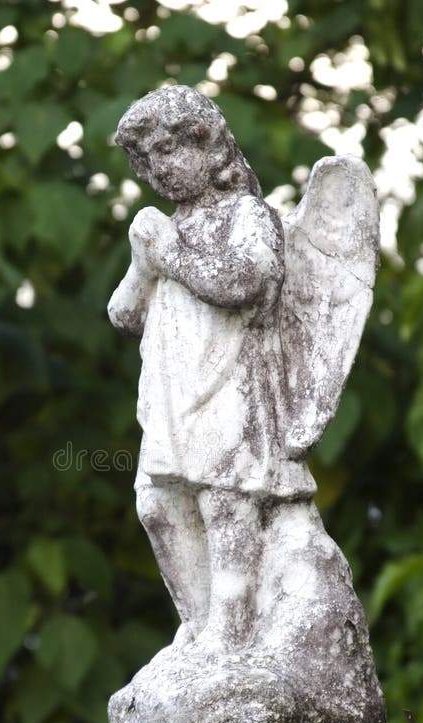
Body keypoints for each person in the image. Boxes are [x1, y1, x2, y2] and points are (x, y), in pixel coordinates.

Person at [108, 86, 316, 649]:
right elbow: (124, 315)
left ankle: (232, 629)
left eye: (171, 150)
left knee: (225, 503)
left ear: (210, 147)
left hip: (229, 386)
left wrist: (166, 252)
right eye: (148, 159)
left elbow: (244, 282)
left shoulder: (245, 215)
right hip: (170, 393)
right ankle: (197, 626)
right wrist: (142, 259)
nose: (161, 168)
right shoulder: (162, 230)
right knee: (157, 503)